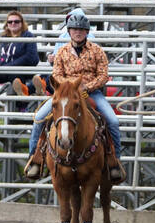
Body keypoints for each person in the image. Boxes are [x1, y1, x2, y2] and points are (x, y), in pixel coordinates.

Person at [23, 10, 124, 184]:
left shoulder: (97, 51)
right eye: (74, 29)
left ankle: (114, 161)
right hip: (65, 94)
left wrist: (87, 86)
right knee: (39, 117)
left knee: (113, 121)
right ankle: (35, 158)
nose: (77, 32)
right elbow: (57, 74)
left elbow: (103, 75)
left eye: (81, 29)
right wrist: (70, 88)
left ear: (86, 32)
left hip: (92, 93)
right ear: (69, 32)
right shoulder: (62, 52)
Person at [0, 11, 44, 99]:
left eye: (16, 21)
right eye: (10, 22)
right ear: (7, 24)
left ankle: (24, 98)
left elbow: (32, 58)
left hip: (20, 70)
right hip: (1, 71)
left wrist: (9, 66)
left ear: (22, 23)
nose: (13, 23)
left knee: (15, 76)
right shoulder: (2, 38)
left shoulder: (28, 36)